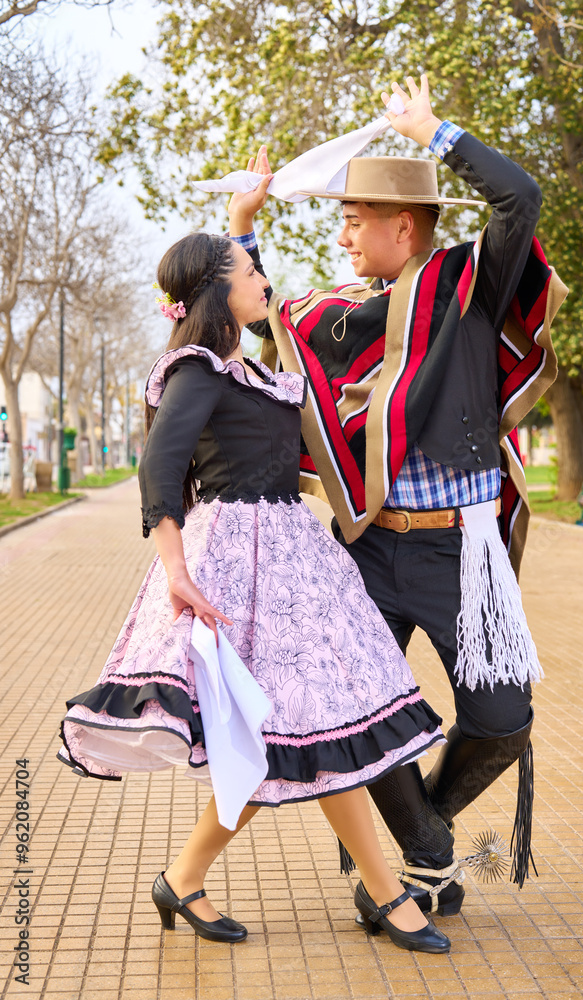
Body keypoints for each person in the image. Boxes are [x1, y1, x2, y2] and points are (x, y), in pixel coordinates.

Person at [226, 74, 568, 916]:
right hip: (369, 548)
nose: (342, 239)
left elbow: (518, 195)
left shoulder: (470, 288)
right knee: (353, 714)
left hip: (463, 550)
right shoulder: (338, 316)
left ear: (401, 225)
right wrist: (241, 227)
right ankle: (425, 855)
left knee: (501, 718)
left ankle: (426, 832)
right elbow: (262, 318)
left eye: (352, 222)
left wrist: (433, 131)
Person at [57, 230, 454, 954]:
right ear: (216, 290)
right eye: (249, 270)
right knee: (310, 731)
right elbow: (160, 474)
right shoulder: (197, 369)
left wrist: (243, 220)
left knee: (314, 733)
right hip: (237, 571)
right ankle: (388, 894)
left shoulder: (246, 367)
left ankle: (184, 878)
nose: (263, 280)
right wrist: (176, 573)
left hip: (294, 562)